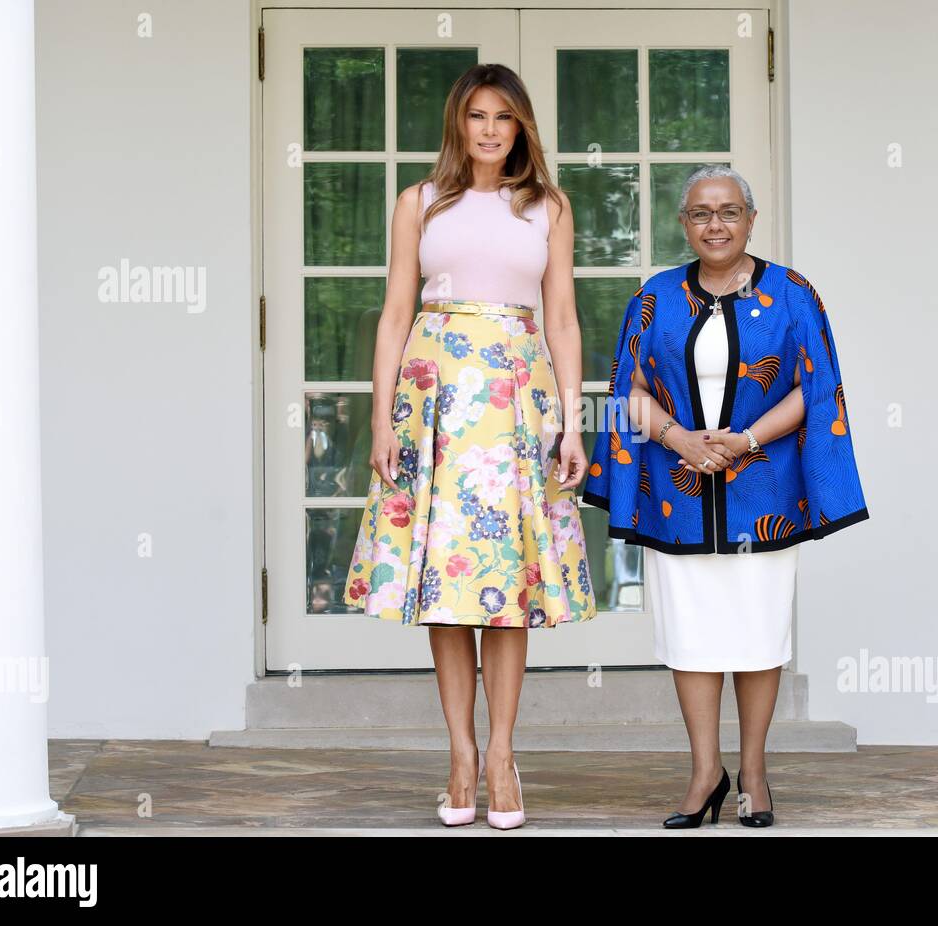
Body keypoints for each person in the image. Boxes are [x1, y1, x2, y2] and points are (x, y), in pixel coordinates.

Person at [343, 64, 598, 829]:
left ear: (522, 127)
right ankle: (459, 753)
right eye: (477, 115)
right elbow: (393, 314)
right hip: (435, 405)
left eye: (505, 117)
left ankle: (501, 755)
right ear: (458, 123)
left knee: (507, 587)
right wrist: (383, 418)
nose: (490, 129)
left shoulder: (549, 207)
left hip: (518, 406)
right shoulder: (417, 204)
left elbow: (562, 321)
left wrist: (574, 421)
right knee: (447, 587)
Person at [582, 165, 869, 828]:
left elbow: (814, 386)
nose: (716, 224)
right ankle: (705, 773)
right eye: (702, 213)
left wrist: (741, 440)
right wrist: (681, 439)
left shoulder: (793, 292)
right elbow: (627, 389)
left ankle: (756, 773)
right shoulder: (655, 296)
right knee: (691, 637)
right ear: (685, 224)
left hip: (761, 491)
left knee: (757, 635)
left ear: (751, 219)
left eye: (730, 211)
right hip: (679, 493)